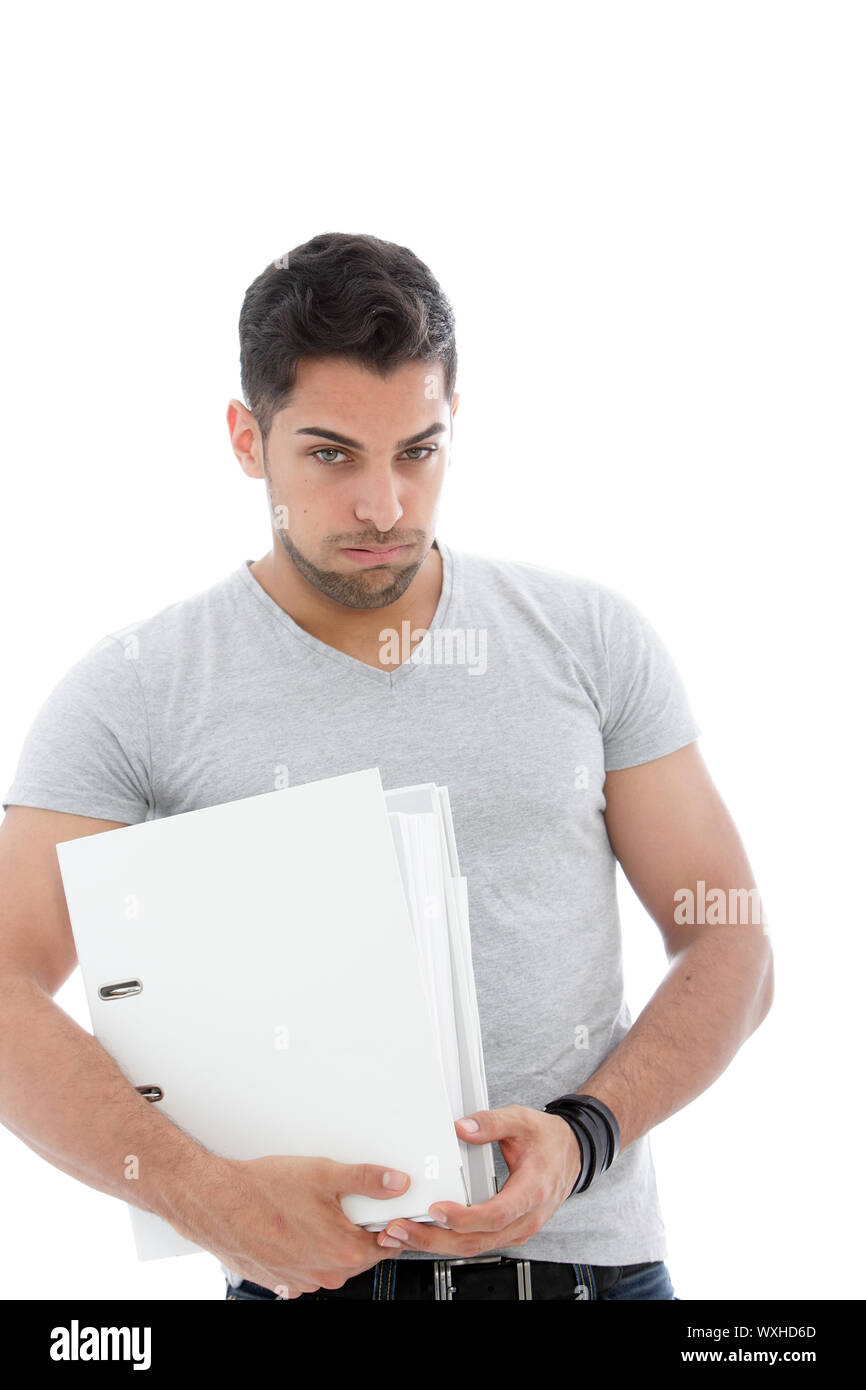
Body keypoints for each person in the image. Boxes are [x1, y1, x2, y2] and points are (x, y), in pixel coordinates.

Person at [0, 231, 773, 1302]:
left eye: (418, 450)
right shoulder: (136, 689)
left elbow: (728, 936)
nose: (383, 507)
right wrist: (204, 1196)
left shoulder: (589, 638)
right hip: (306, 1282)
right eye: (330, 455)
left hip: (593, 1273)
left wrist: (581, 1137)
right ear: (244, 437)